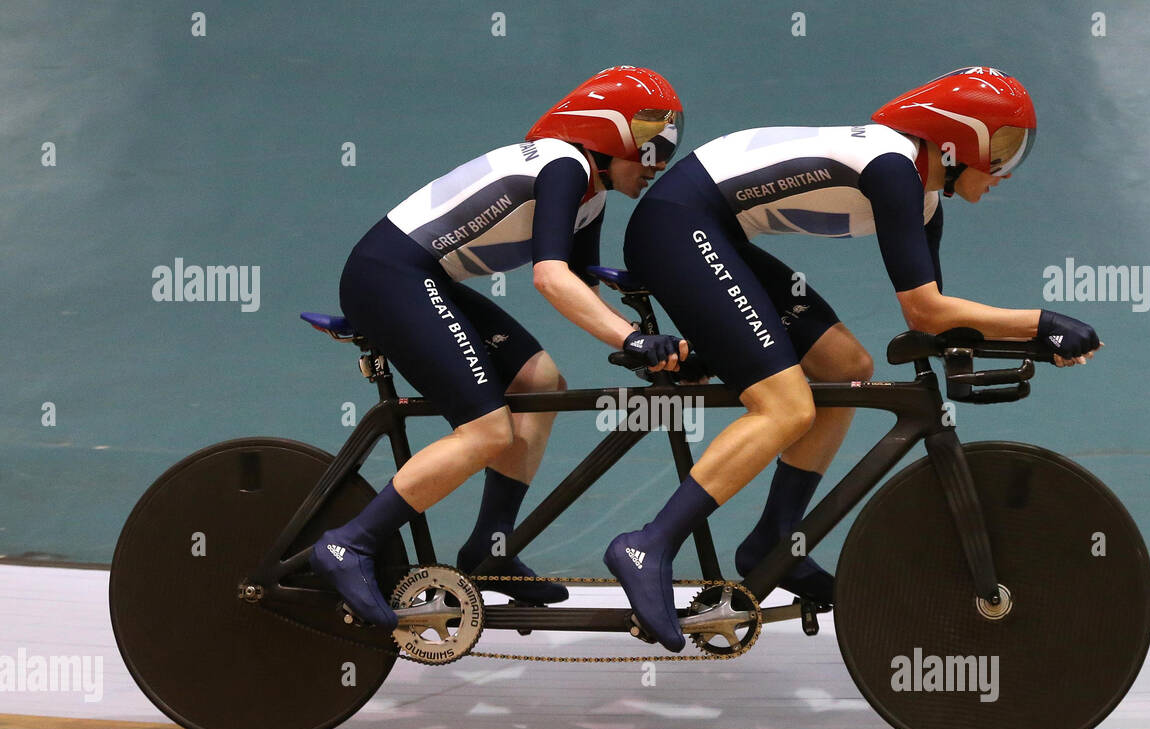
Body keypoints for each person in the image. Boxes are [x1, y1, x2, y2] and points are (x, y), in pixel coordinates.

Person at [606, 66, 1101, 651]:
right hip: (677, 226)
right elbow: (927, 311)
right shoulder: (894, 169)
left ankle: (773, 542)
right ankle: (649, 543)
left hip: (711, 229)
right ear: (957, 137)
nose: (1006, 170)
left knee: (846, 370)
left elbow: (933, 320)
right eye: (1004, 146)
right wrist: (1041, 322)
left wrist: (1026, 341)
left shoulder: (923, 198)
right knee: (783, 407)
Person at [312, 67, 687, 629]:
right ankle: (349, 544)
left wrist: (650, 321)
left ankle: (489, 550)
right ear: (609, 135)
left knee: (539, 381)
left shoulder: (590, 194)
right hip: (390, 277)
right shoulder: (564, 166)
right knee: (488, 430)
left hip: (421, 278)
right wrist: (631, 339)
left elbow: (581, 282)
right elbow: (550, 278)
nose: (659, 163)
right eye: (652, 144)